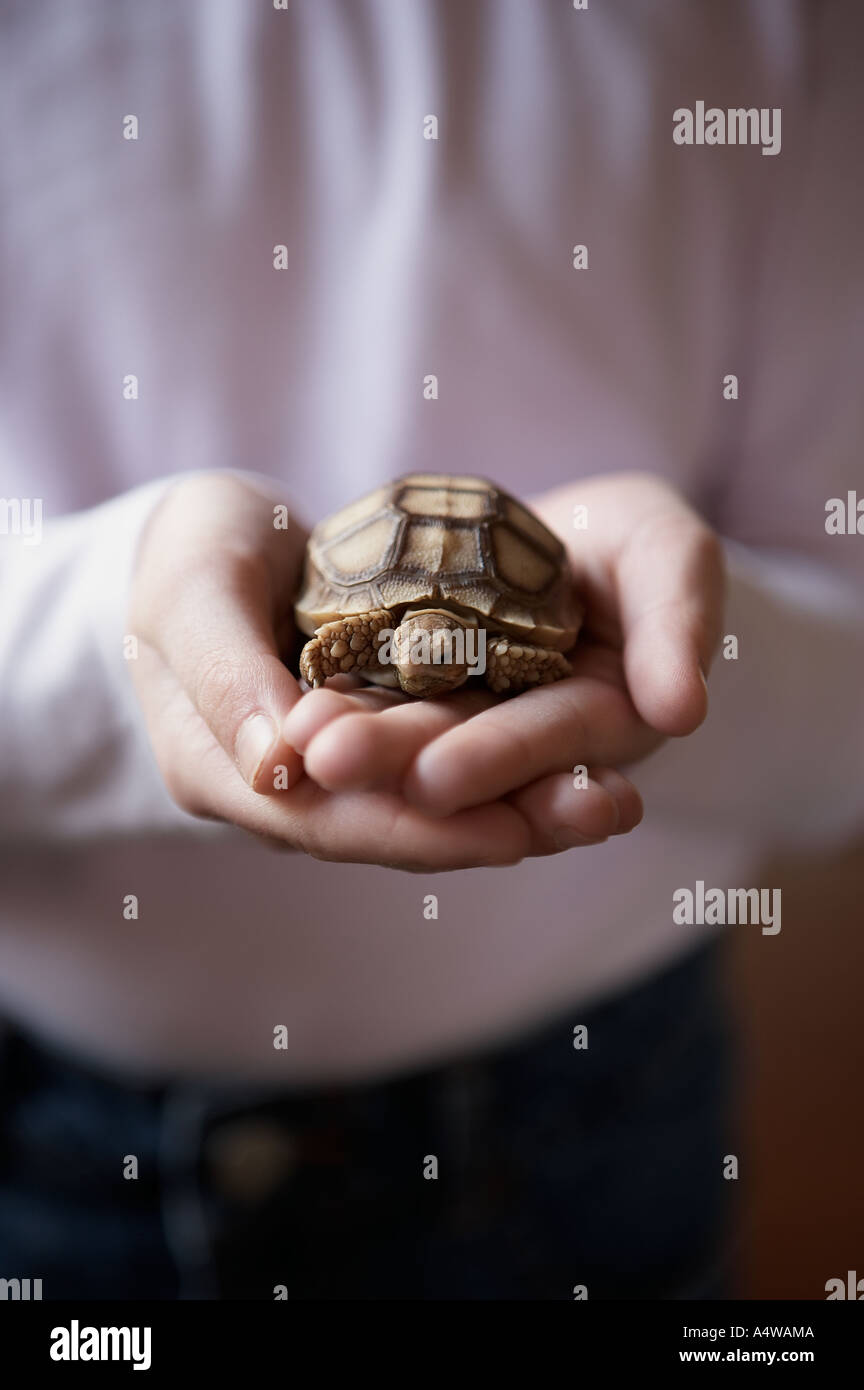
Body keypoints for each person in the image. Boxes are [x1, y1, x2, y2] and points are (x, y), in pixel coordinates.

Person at [1, 0, 862, 1300]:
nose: (437, 655)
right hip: (59, 1131)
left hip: (607, 1090)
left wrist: (687, 648)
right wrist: (118, 633)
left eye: (464, 647)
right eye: (418, 642)